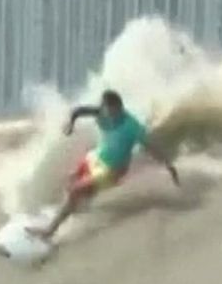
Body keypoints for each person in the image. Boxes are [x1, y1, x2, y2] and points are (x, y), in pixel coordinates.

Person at [28, 89, 178, 240]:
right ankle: (72, 211)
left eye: (110, 110)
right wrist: (71, 124)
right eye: (104, 108)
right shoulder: (102, 111)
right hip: (96, 157)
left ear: (118, 108)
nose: (106, 113)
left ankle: (49, 232)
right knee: (71, 180)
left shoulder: (132, 126)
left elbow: (151, 147)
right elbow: (78, 111)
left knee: (76, 191)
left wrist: (168, 165)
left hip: (111, 170)